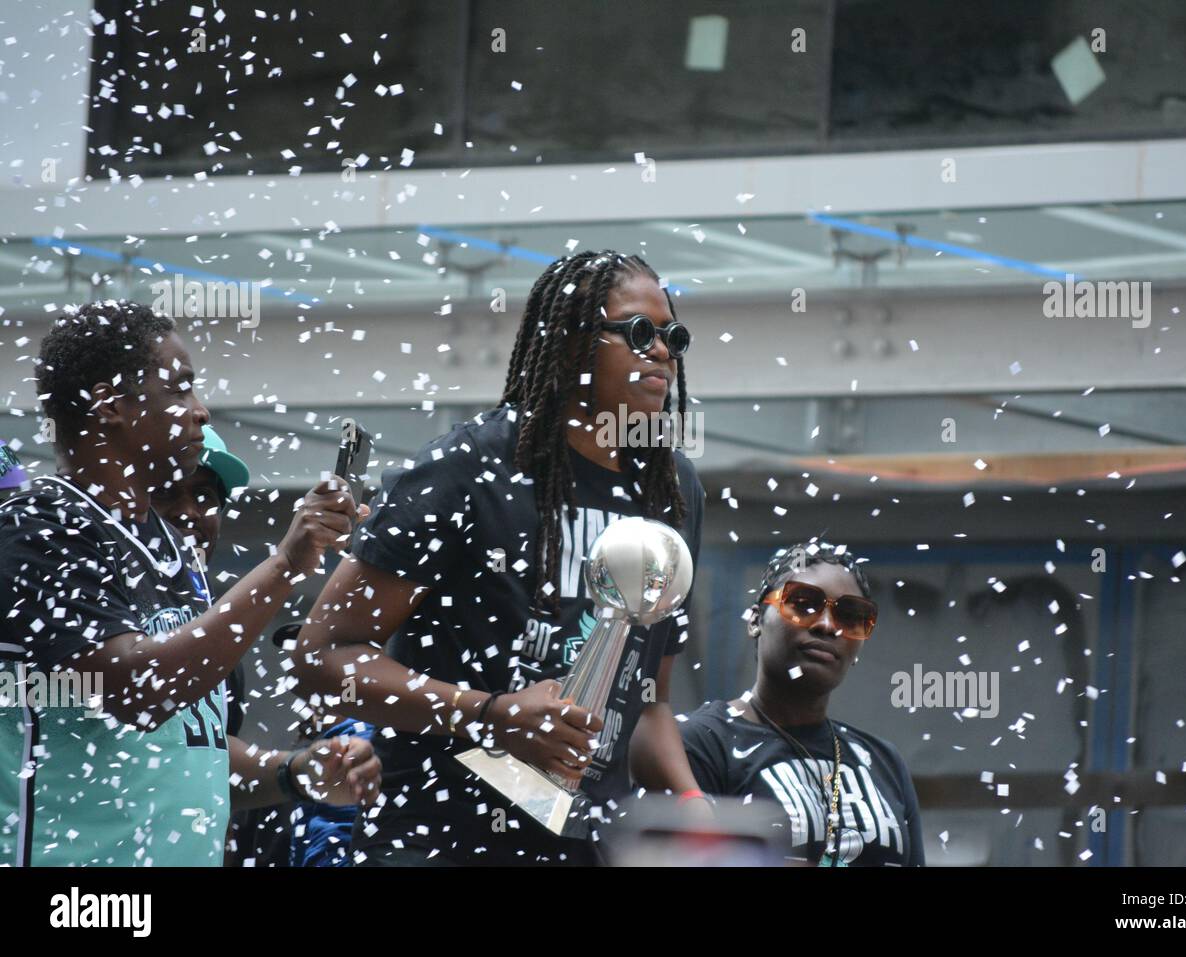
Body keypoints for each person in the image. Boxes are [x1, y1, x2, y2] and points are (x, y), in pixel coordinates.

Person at [292, 250, 708, 865]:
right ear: (568, 343)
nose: (663, 352)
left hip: (586, 847)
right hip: (440, 838)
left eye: (673, 336)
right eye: (639, 332)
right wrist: (490, 716)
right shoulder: (463, 471)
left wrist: (692, 802)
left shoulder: (670, 489)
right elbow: (321, 659)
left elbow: (647, 699)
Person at [0, 300, 371, 866]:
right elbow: (138, 692)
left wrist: (297, 772)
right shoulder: (35, 528)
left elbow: (187, 748)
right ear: (109, 406)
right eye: (179, 390)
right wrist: (286, 564)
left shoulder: (166, 543)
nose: (201, 411)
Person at [151, 423, 380, 867]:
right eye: (165, 494)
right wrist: (288, 562)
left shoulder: (207, 627)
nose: (188, 513)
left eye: (205, 497)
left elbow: (202, 763)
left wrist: (297, 772)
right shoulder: (87, 606)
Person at [679, 539, 926, 867]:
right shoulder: (701, 743)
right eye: (804, 603)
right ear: (755, 620)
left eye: (851, 616)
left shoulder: (883, 761)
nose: (827, 625)